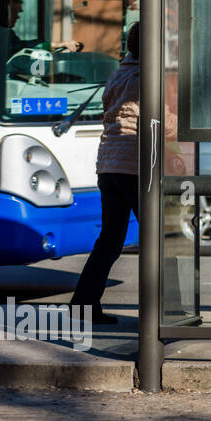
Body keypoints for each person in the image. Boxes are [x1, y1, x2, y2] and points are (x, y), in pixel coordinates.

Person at [71, 22, 140, 325]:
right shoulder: (144, 77)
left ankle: (83, 306)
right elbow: (156, 119)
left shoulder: (119, 73)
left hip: (109, 166)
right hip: (133, 166)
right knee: (158, 240)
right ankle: (159, 312)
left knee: (109, 241)